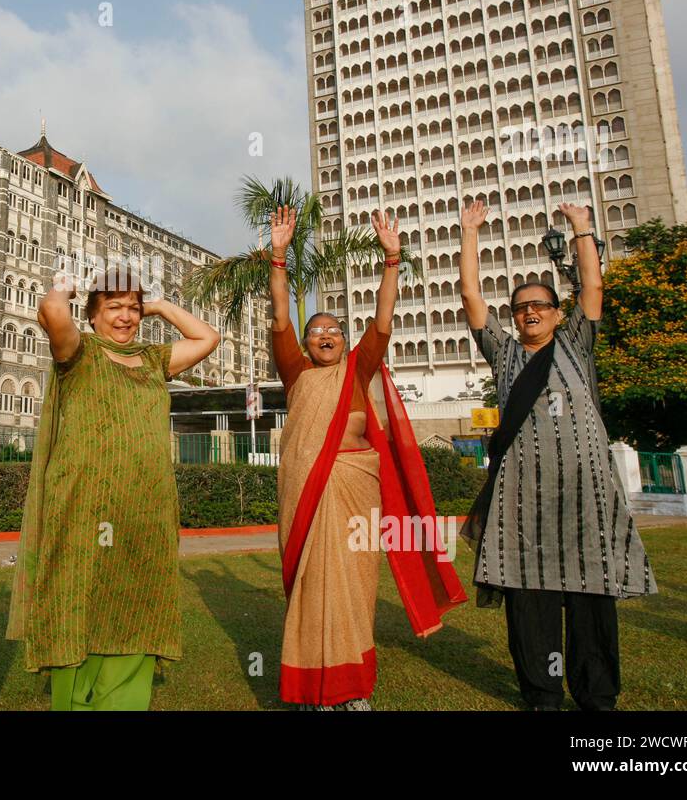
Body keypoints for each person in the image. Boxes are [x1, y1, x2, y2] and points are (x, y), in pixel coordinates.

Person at [459, 198, 656, 711]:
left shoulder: (575, 344)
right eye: (521, 307)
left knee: (592, 600)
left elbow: (592, 286)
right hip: (522, 505)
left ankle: (597, 695)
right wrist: (469, 234)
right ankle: (541, 694)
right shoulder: (502, 353)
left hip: (585, 502)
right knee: (530, 602)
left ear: (556, 312)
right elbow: (470, 294)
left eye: (538, 306)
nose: (528, 312)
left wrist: (583, 229)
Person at [269, 206, 465, 711]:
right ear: (307, 344)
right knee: (314, 587)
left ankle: (352, 689)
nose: (326, 335)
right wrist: (279, 258)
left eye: (334, 329)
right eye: (317, 332)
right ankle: (313, 687)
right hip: (308, 498)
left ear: (343, 339)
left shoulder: (358, 371)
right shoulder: (296, 373)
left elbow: (382, 318)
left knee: (355, 586)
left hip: (357, 491)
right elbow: (278, 317)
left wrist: (393, 260)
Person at [7, 261, 220, 710]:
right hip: (82, 510)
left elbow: (208, 339)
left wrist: (158, 305)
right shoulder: (76, 354)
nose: (126, 317)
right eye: (114, 308)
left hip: (145, 512)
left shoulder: (154, 360)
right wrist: (62, 289)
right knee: (76, 598)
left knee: (138, 603)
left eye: (133, 309)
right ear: (93, 315)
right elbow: (53, 313)